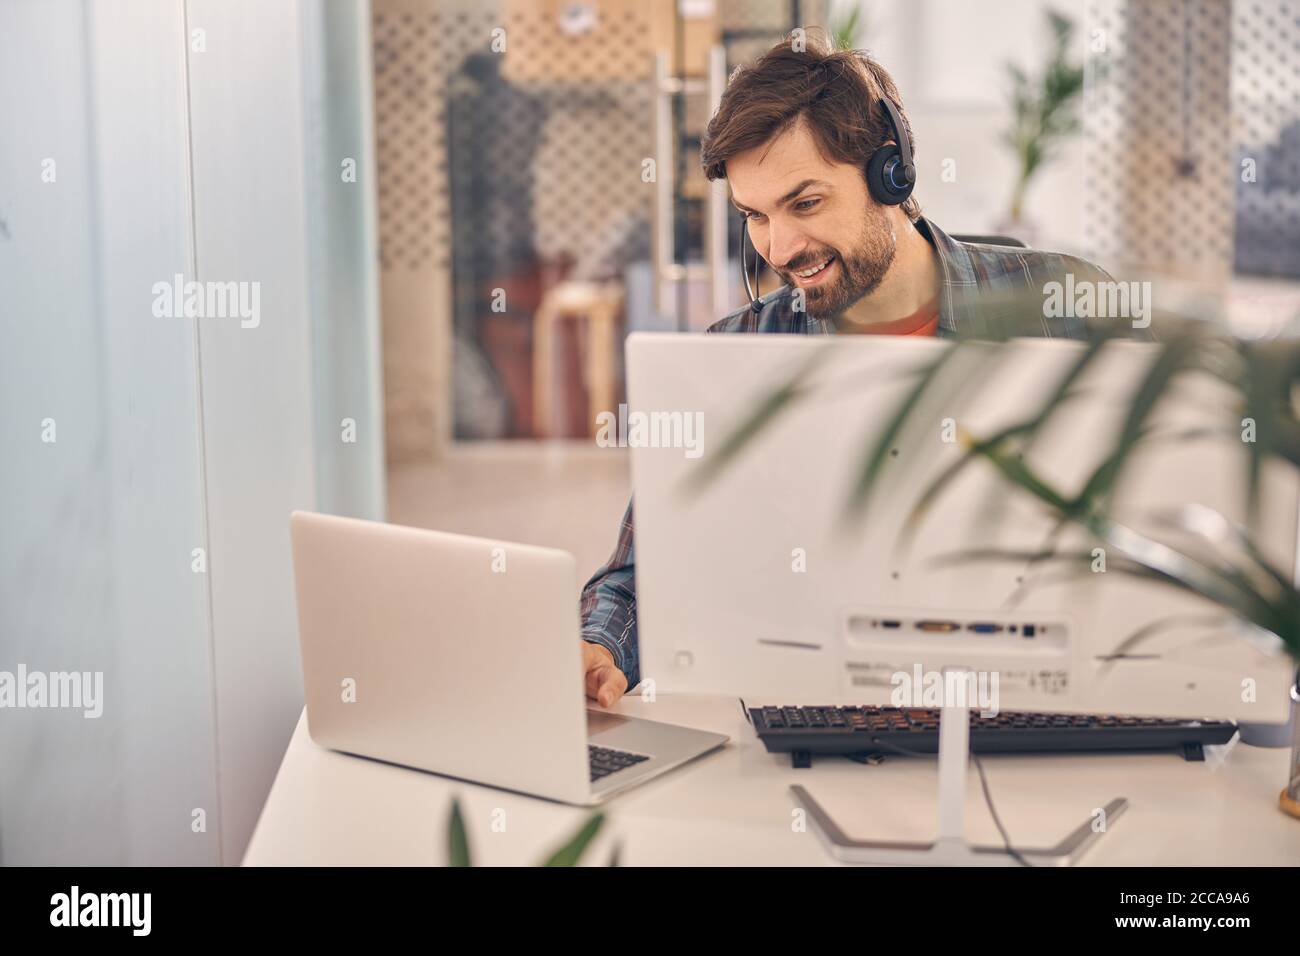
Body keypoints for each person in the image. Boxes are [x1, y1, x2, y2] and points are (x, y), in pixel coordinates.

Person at [580, 30, 1121, 706]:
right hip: (824, 716)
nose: (781, 247)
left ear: (890, 174)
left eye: (805, 203)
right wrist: (602, 645)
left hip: (1049, 706)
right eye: (755, 215)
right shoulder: (736, 354)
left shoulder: (1069, 307)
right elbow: (641, 568)